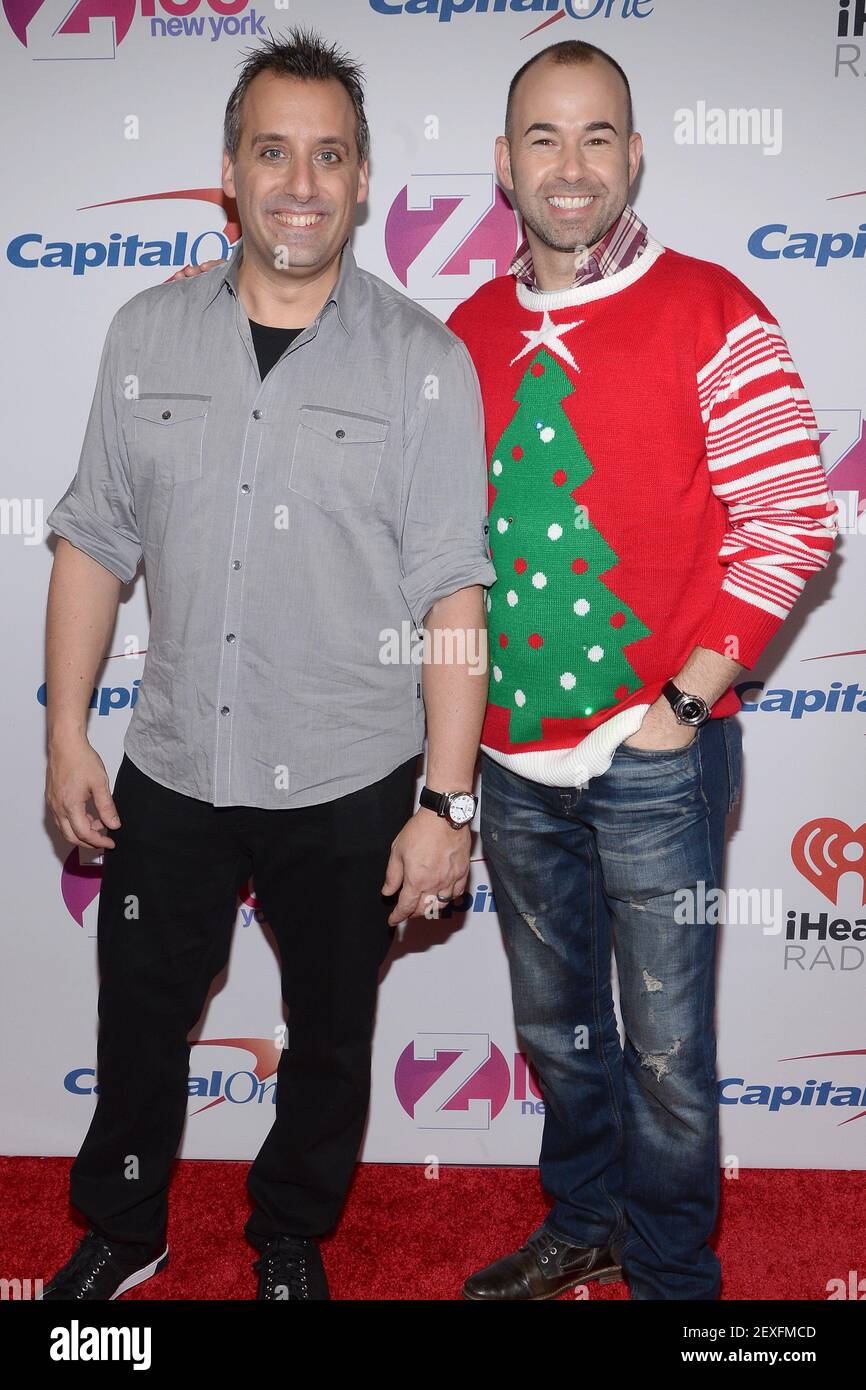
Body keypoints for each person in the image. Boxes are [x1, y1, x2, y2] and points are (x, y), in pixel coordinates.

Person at [41, 27, 494, 1302]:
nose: (301, 182)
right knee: (138, 1019)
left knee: (333, 1039)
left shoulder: (423, 363)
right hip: (178, 758)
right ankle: (126, 1228)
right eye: (273, 152)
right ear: (228, 174)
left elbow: (451, 590)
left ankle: (289, 1231)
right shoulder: (143, 334)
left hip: (355, 770)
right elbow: (90, 540)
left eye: (329, 156)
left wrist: (446, 802)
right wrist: (66, 730)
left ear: (362, 183)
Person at [444, 40, 838, 1301]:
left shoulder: (711, 308)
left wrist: (680, 704)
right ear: (504, 167)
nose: (572, 165)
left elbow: (792, 520)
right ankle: (585, 1222)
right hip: (506, 762)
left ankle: (673, 1280)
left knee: (667, 1052)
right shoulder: (463, 332)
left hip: (651, 757)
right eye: (544, 140)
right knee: (556, 1034)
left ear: (633, 154)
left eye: (597, 135)